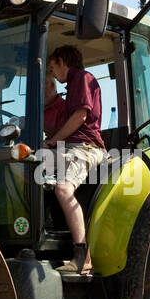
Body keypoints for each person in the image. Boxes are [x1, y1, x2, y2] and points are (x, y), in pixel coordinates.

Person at [43, 45, 106, 274]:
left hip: (85, 147)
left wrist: (53, 141)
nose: (54, 75)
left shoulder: (81, 77)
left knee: (62, 189)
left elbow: (80, 115)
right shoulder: (73, 85)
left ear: (62, 61)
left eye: (53, 68)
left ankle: (82, 256)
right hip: (70, 147)